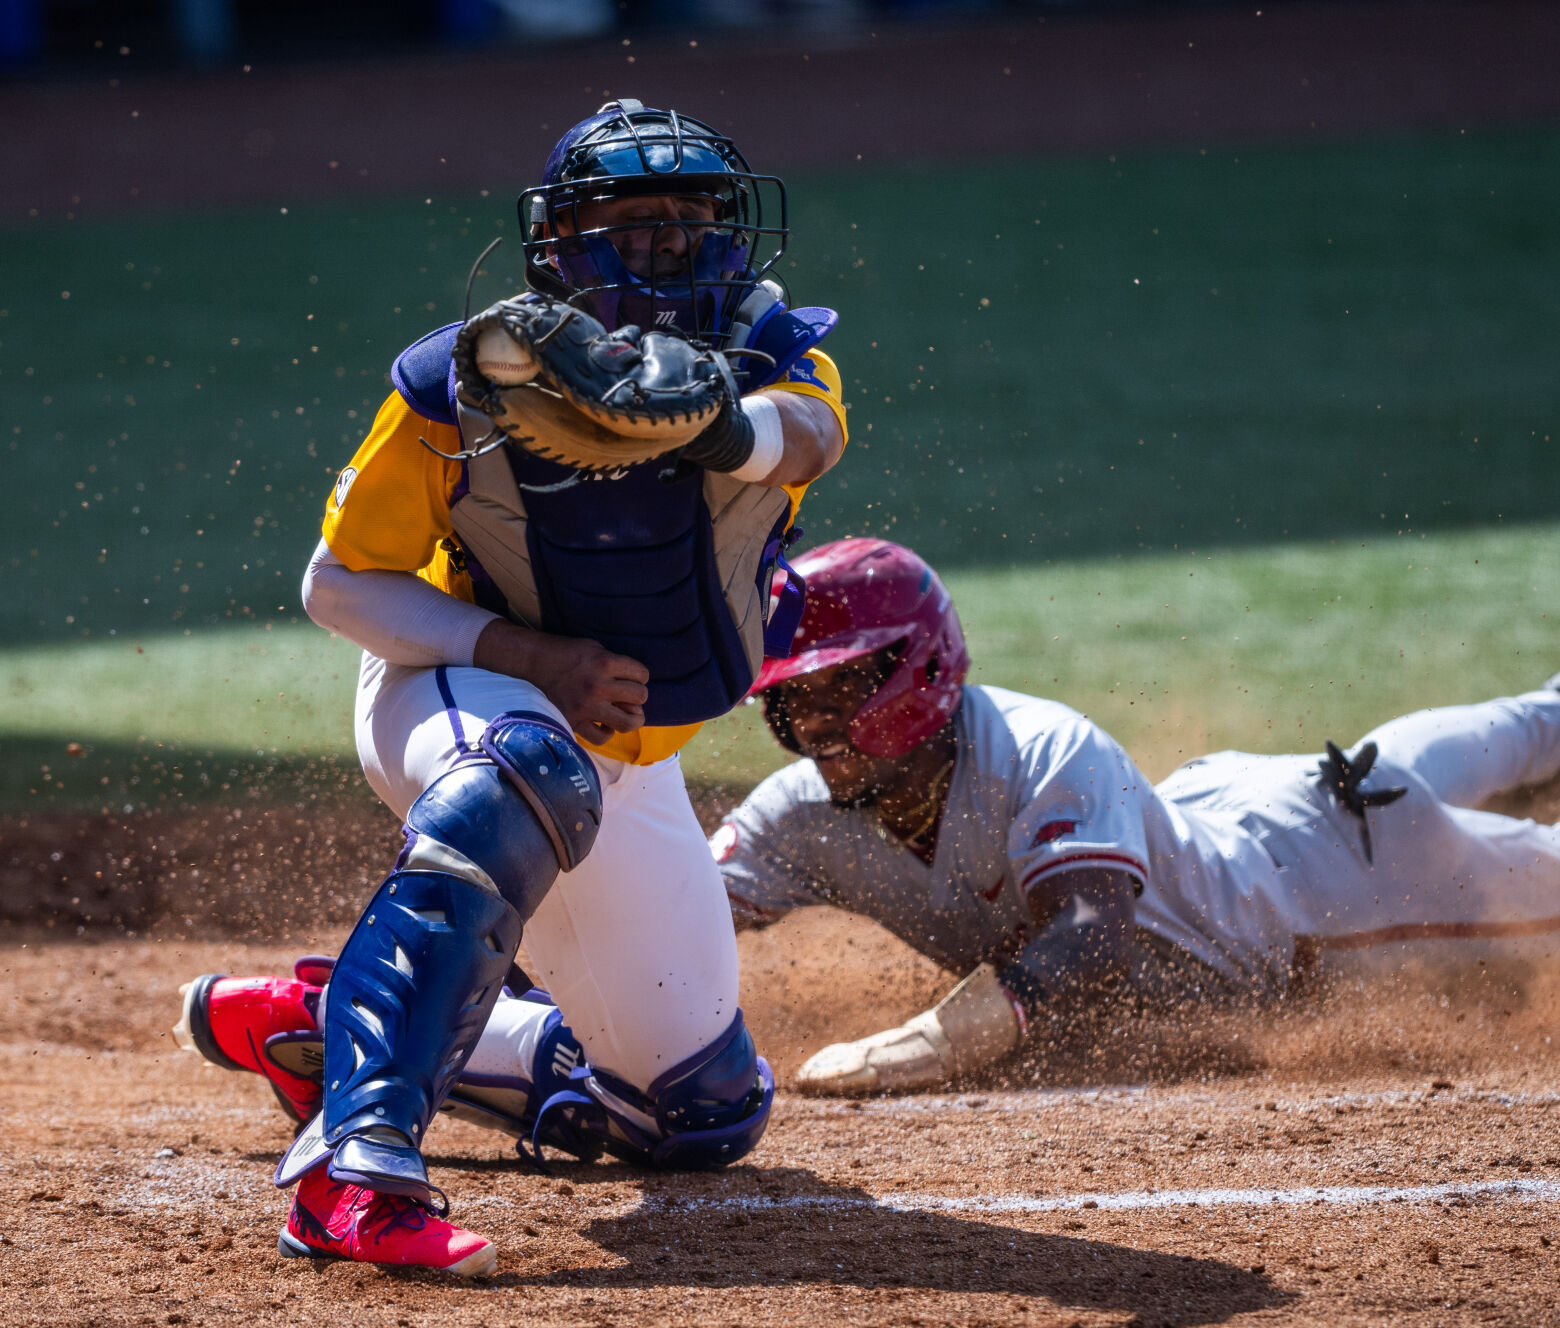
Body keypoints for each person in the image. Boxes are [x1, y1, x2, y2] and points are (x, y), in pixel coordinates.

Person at [179, 539, 1560, 1143]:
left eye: (843, 691)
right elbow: (642, 931)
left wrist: (944, 1036)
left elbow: (1093, 934)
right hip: (1242, 800)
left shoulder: (1047, 747)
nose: (818, 724)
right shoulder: (805, 814)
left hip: (1338, 886)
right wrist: (421, 1000)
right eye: (800, 700)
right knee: (1510, 727)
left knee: (1521, 753)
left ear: (920, 672)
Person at [193, 98, 847, 1275]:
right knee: (526, 770)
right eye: (631, 221)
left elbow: (803, 436)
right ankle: (353, 1171)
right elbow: (337, 583)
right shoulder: (461, 384)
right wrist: (530, 657)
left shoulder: (777, 368)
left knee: (698, 1113)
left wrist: (705, 422)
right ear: (563, 243)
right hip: (460, 691)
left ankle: (328, 1023)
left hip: (630, 767)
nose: (669, 241)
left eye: (692, 217)